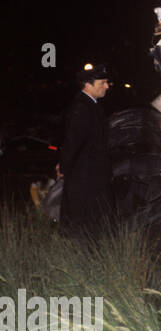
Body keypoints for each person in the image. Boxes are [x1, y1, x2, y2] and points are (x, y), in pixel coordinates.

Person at [59, 63, 112, 237]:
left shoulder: (92, 105)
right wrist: (64, 168)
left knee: (94, 221)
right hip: (85, 177)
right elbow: (72, 142)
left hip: (92, 175)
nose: (106, 86)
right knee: (85, 222)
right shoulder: (81, 108)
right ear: (87, 85)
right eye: (102, 83)